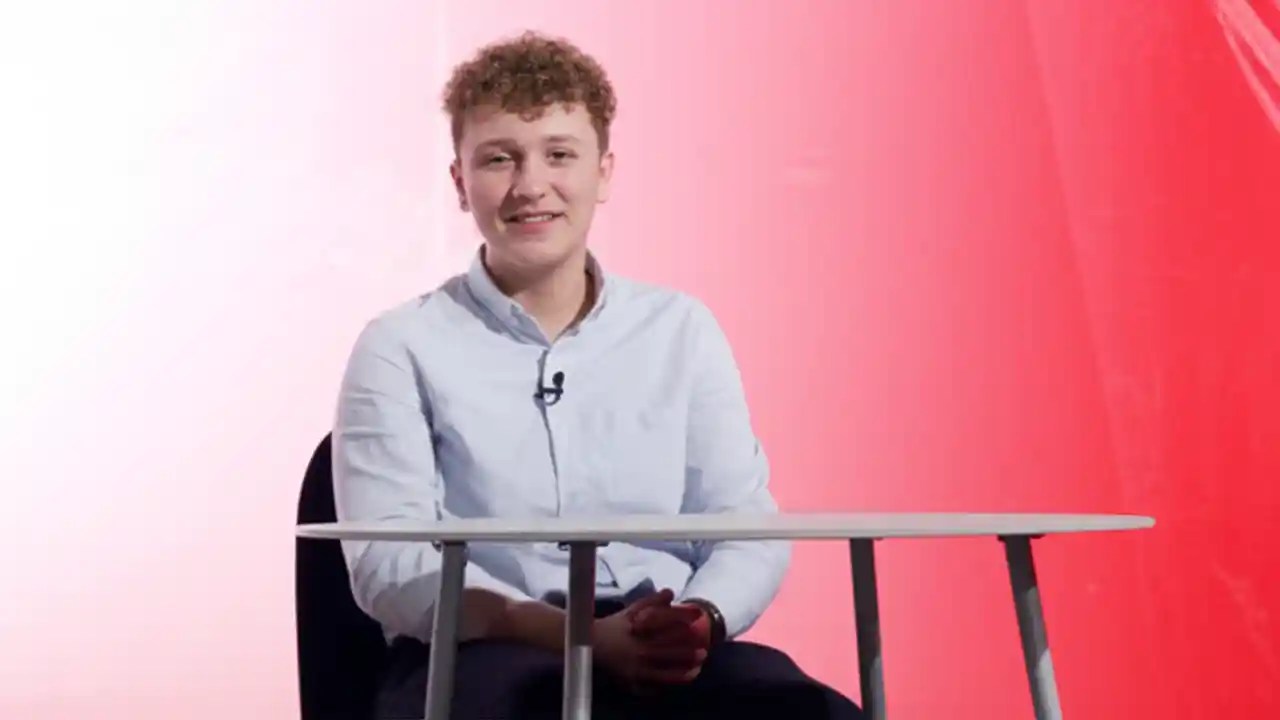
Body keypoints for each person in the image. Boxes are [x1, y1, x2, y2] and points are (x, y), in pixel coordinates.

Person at [332, 30, 864, 720]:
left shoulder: (682, 329)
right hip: (480, 652)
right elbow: (387, 568)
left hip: (666, 641)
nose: (530, 186)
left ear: (604, 172)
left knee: (808, 711)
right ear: (461, 183)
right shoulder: (399, 345)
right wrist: (579, 638)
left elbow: (745, 528)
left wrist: (700, 619)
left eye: (559, 155)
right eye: (499, 159)